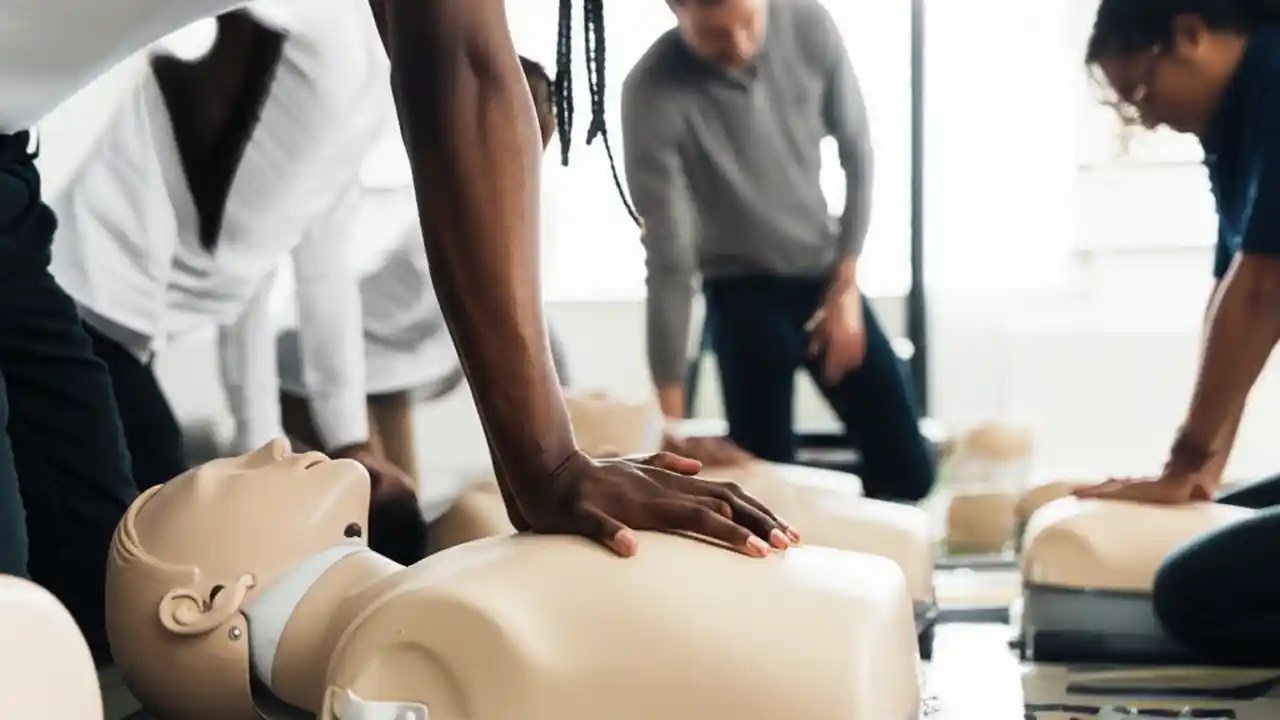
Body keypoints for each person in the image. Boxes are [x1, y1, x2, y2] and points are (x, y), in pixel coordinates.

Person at [1, 0, 797, 663]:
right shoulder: (329, 47)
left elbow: (283, 261)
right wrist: (545, 461)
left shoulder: (341, 118)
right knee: (69, 592)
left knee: (93, 579)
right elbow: (465, 70)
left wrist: (536, 456)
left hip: (15, 195)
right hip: (83, 266)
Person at [51, 0, 412, 498]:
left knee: (145, 482)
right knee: (142, 487)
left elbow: (307, 273)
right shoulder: (335, 32)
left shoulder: (368, 95)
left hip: (128, 308)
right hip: (89, 266)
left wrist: (310, 441)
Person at [621, 0, 935, 501]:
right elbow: (669, 259)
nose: (743, 48)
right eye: (719, 37)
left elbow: (858, 152)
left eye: (749, 24)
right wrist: (670, 423)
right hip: (740, 294)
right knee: (766, 487)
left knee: (911, 472)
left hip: (826, 277)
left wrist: (846, 284)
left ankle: (846, 523)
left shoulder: (808, 21)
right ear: (676, 11)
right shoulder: (650, 91)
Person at [1074, 0, 1280, 664]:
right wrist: (1202, 476)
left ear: (1189, 35)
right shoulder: (1234, 122)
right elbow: (1234, 299)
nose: (1150, 116)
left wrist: (1183, 465)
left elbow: (1261, 294)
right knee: (1225, 524)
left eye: (1142, 90)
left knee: (1194, 592)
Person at [274, 54, 573, 502]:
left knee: (397, 507)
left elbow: (528, 321)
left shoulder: (533, 214)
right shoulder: (431, 224)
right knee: (366, 507)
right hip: (315, 363)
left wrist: (570, 413)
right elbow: (500, 325)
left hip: (389, 367)